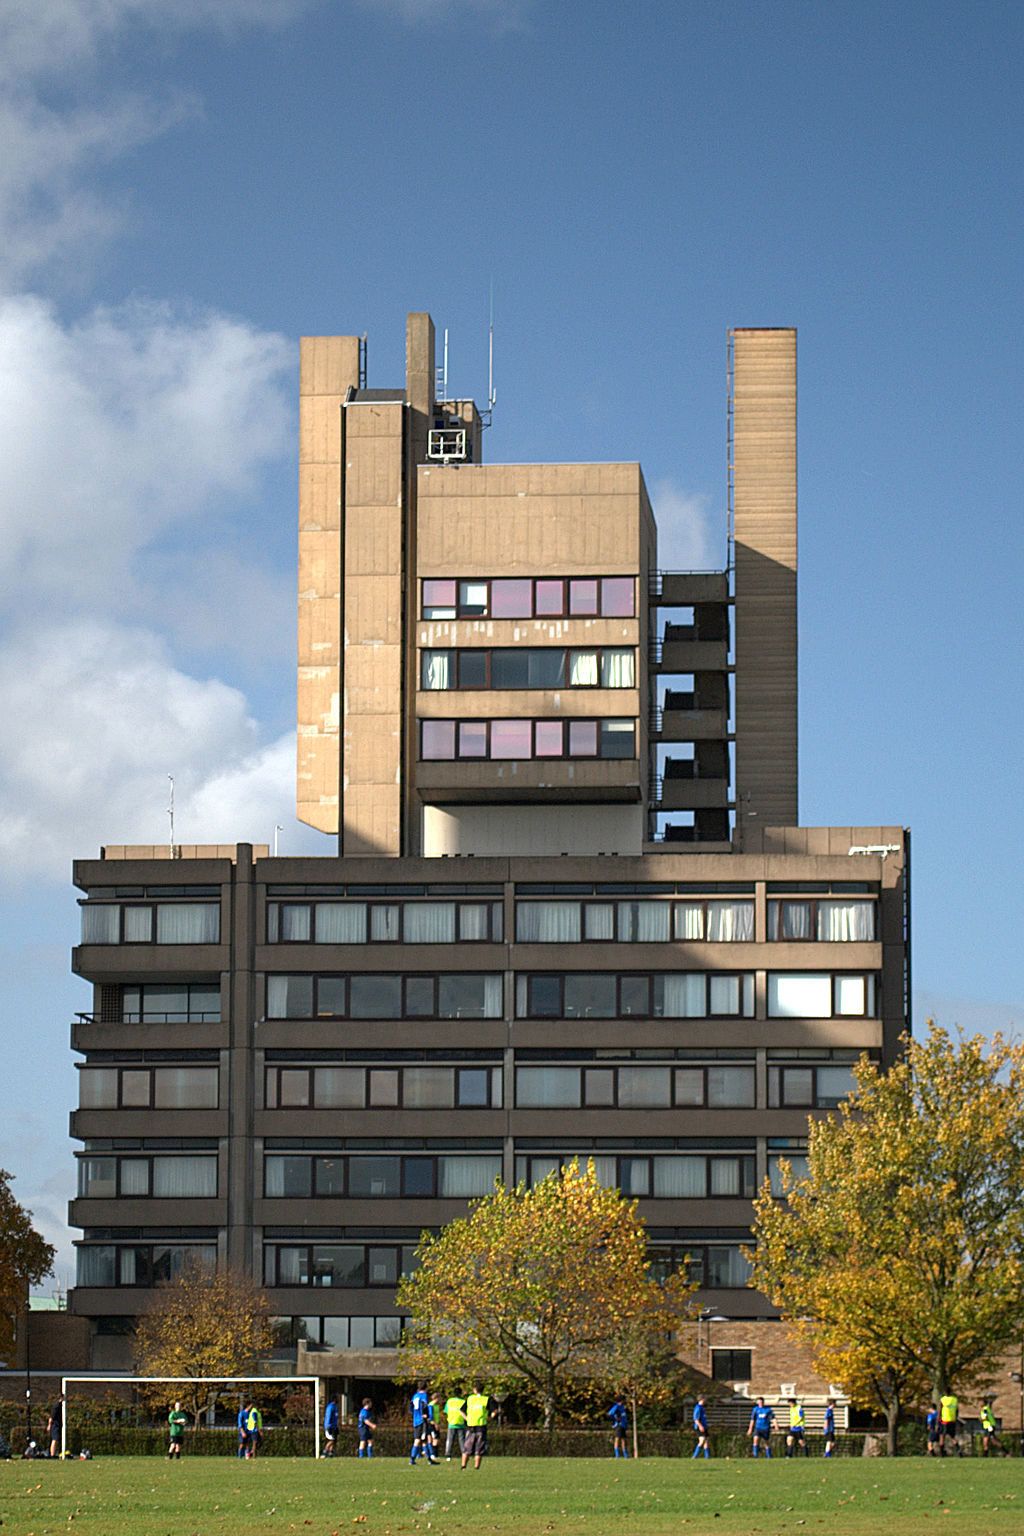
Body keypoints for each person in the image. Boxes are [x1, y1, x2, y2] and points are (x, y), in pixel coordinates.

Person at [462, 1384, 493, 1470]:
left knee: (467, 1447)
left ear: (474, 1389)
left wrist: (467, 1419)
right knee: (479, 1449)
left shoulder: (470, 1399)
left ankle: (463, 1466)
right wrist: (489, 1419)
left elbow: (461, 1411)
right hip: (481, 1425)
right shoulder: (486, 1399)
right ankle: (476, 1467)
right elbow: (494, 1412)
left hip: (470, 1425)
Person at [410, 1381, 436, 1464]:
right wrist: (425, 1415)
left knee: (423, 1440)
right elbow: (423, 1405)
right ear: (426, 1388)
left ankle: (429, 1460)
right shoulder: (424, 1396)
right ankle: (412, 1460)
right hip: (421, 1421)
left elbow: (410, 1407)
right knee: (419, 1439)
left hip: (416, 1420)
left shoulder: (415, 1396)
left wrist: (415, 1414)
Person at [443, 1392, 467, 1461]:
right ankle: (464, 1453)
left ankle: (448, 1455)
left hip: (451, 1423)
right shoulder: (463, 1401)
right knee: (462, 1440)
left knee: (450, 1440)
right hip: (461, 1423)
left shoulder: (449, 1401)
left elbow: (446, 1411)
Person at [938, 1392, 959, 1457]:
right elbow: (957, 1410)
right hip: (952, 1420)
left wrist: (937, 1421)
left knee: (942, 1436)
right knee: (952, 1436)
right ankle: (958, 1450)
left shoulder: (943, 1399)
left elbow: (940, 1410)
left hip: (944, 1420)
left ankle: (942, 1452)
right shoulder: (954, 1399)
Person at [692, 1393, 710, 1458]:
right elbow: (696, 1419)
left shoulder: (702, 1407)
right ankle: (694, 1456)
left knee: (707, 1440)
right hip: (700, 1427)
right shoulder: (698, 1408)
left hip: (704, 1426)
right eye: (704, 1399)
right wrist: (700, 1426)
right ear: (702, 1399)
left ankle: (707, 1457)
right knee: (702, 1441)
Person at [47, 1395, 64, 1459]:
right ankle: (52, 1455)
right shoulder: (56, 1406)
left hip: (59, 1425)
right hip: (55, 1425)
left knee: (57, 1440)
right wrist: (49, 1425)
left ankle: (56, 1453)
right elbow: (51, 1417)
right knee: (55, 1439)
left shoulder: (62, 1406)